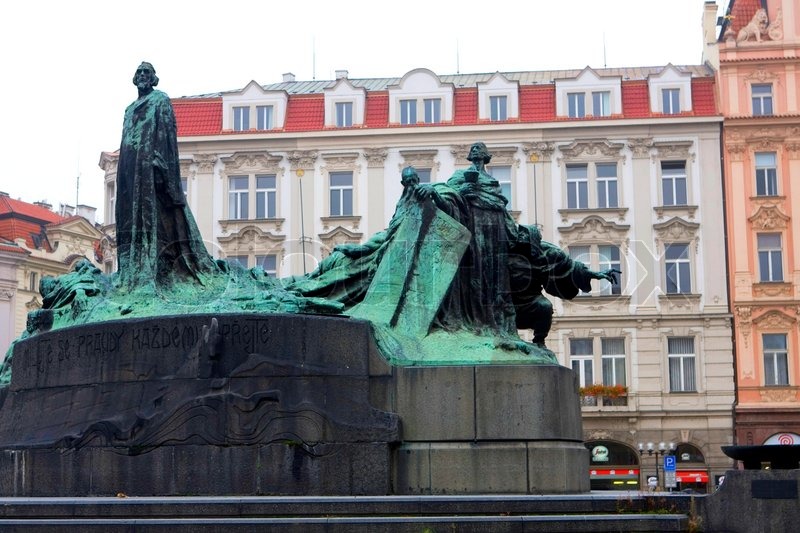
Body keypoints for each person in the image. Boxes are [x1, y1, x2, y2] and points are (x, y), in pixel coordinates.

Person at [115, 62, 217, 289]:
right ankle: (134, 268)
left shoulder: (160, 100)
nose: (142, 75)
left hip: (149, 166)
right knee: (131, 218)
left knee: (154, 216)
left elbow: (167, 134)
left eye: (147, 72)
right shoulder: (129, 109)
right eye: (139, 72)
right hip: (129, 169)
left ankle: (158, 265)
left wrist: (160, 163)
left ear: (153, 78)